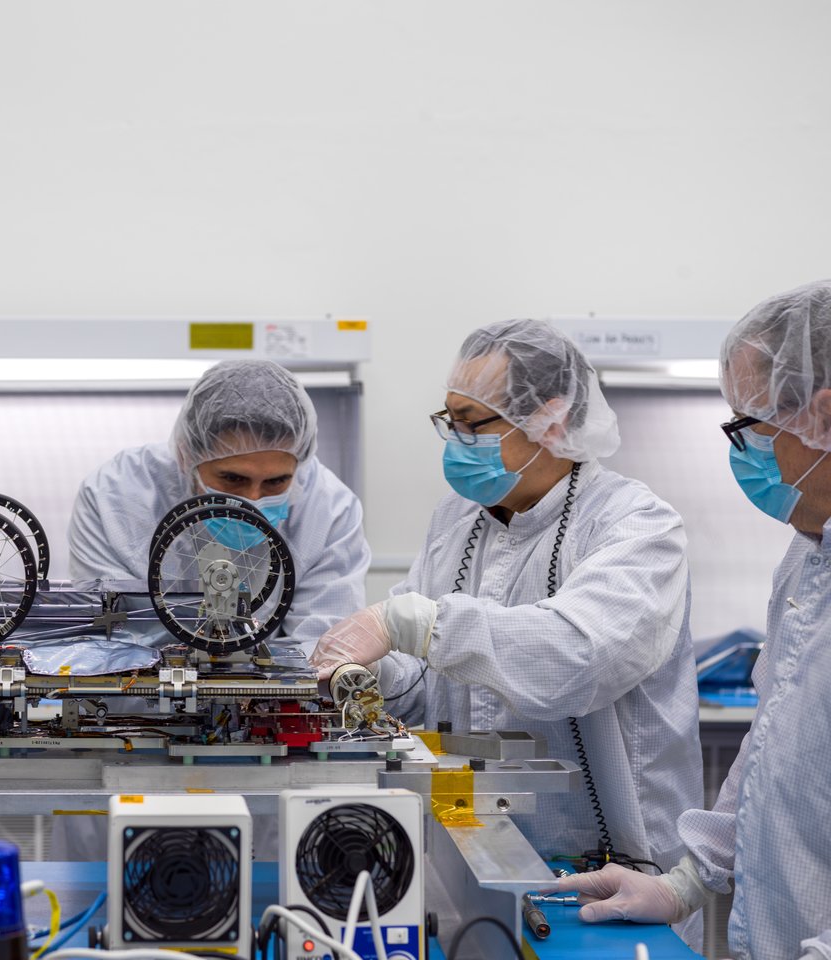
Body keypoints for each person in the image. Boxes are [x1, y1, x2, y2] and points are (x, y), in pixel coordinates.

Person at [310, 319, 703, 885]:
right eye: (449, 420)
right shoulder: (457, 520)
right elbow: (425, 680)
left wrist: (410, 623)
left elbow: (574, 658)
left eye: (472, 423)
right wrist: (369, 675)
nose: (454, 440)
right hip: (468, 844)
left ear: (552, 420)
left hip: (612, 868)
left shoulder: (635, 525)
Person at [557, 280, 831, 960]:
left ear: (823, 415)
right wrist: (686, 881)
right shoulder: (808, 556)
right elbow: (773, 749)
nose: (741, 452)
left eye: (749, 427)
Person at [69, 358, 371, 652]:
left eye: (276, 482)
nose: (253, 500)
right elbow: (109, 637)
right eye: (233, 479)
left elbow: (326, 645)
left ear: (298, 466)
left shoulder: (329, 509)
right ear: (187, 457)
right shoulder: (115, 498)